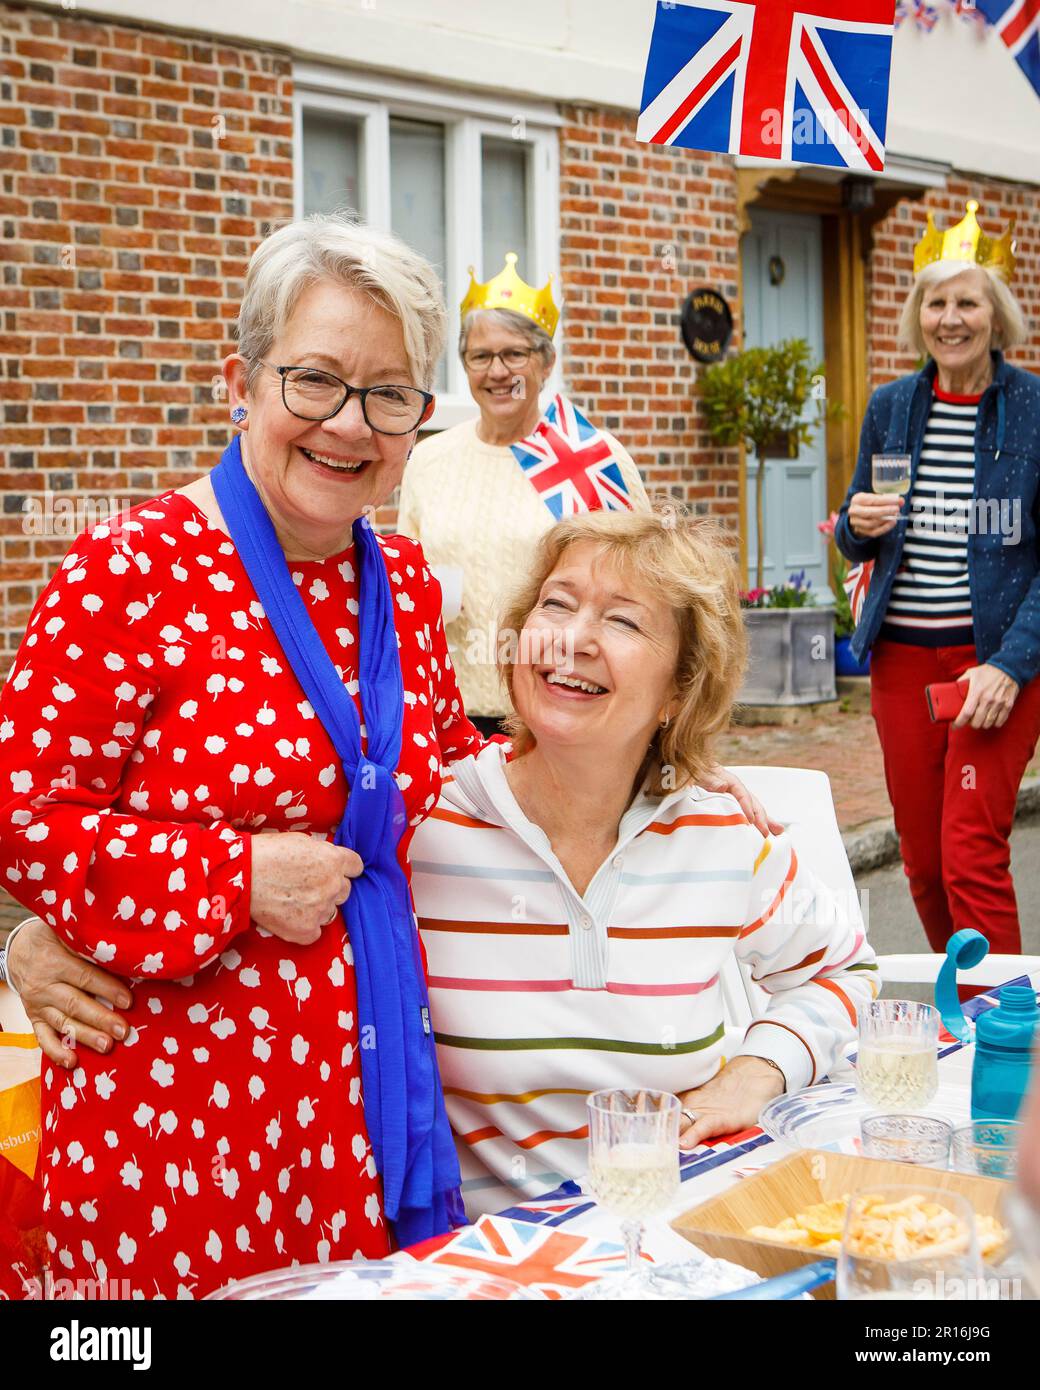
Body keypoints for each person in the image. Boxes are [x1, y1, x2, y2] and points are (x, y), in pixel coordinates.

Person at [0, 214, 484, 1298]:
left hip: (356, 1103)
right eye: (313, 380)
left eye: (389, 395)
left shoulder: (402, 582)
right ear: (241, 382)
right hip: (176, 1126)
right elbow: (25, 815)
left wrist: (653, 773)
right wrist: (231, 880)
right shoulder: (131, 568)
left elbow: (447, 769)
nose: (348, 425)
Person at [412, 506, 877, 1215]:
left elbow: (846, 969)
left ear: (678, 691)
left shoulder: (723, 834)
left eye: (623, 622)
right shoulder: (421, 831)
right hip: (496, 1268)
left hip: (677, 1246)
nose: (573, 639)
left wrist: (758, 1069)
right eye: (556, 606)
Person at [835, 200, 1040, 957]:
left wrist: (1011, 666)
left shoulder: (1034, 410)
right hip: (901, 662)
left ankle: (1010, 1028)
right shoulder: (892, 407)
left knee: (970, 854)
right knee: (922, 862)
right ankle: (964, 1005)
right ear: (919, 313)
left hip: (992, 661)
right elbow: (856, 539)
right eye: (937, 301)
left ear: (997, 312)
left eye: (968, 300)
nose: (951, 318)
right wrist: (858, 522)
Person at [396, 252, 649, 737]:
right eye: (481, 356)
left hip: (559, 698)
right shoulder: (429, 459)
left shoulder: (591, 458)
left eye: (515, 354)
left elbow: (638, 586)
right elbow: (408, 579)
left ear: (546, 361)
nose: (497, 371)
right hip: (450, 709)